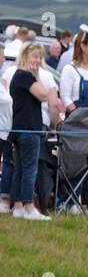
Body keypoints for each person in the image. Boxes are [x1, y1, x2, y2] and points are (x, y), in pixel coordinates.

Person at [8, 42, 62, 220]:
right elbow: (44, 95)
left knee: (20, 168)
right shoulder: (25, 76)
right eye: (35, 56)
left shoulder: (18, 75)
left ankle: (17, 206)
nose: (38, 60)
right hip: (29, 129)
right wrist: (37, 75)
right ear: (25, 57)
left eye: (40, 57)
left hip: (19, 127)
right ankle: (29, 207)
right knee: (30, 168)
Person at [57, 25, 88, 214]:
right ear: (83, 46)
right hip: (78, 124)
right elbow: (66, 97)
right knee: (77, 163)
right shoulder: (70, 69)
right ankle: (72, 200)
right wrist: (78, 116)